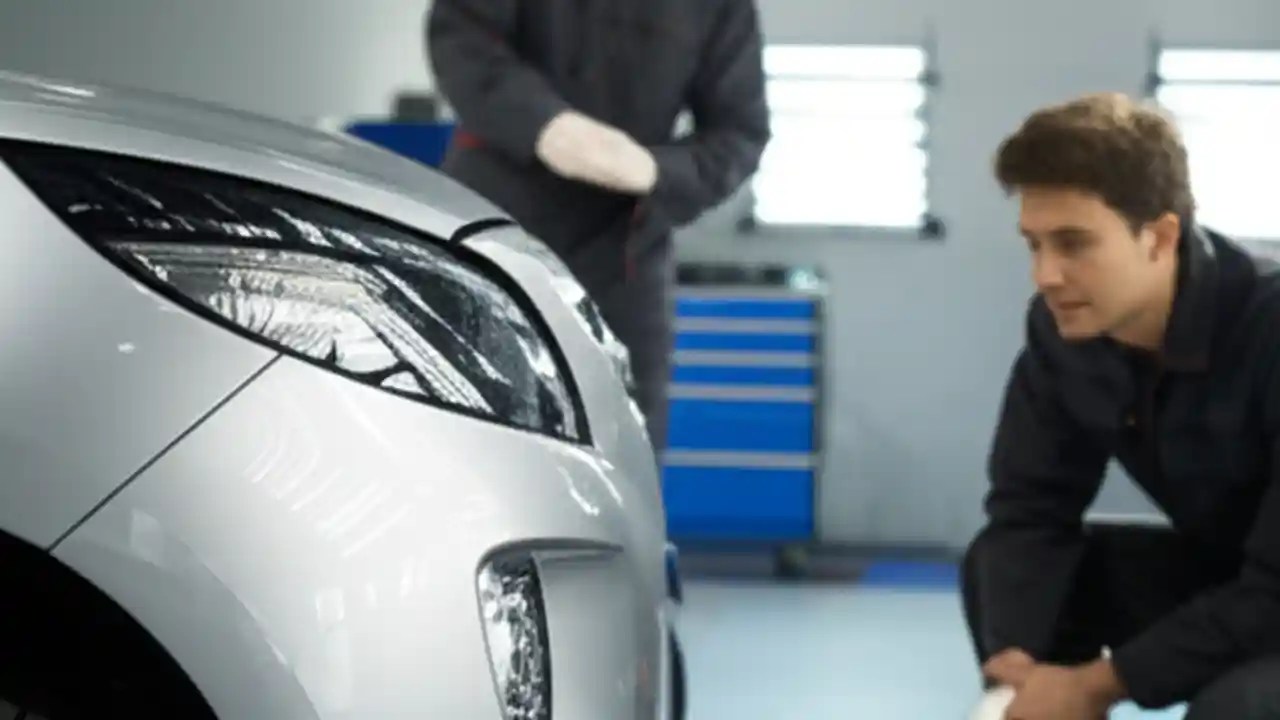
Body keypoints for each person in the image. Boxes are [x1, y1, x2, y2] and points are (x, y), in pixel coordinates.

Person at [962, 92, 1280, 719]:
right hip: (1238, 577)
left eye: (1073, 244)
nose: (1045, 275)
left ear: (1160, 237)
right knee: (1016, 576)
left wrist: (1098, 684)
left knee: (1239, 708)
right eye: (1034, 244)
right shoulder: (1066, 333)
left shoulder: (1270, 328)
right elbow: (1029, 509)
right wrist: (1020, 662)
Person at [424, 0, 771, 455]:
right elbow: (460, 36)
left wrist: (652, 170)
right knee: (469, 443)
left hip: (625, 258)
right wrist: (547, 127)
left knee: (622, 457)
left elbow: (741, 132)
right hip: (490, 241)